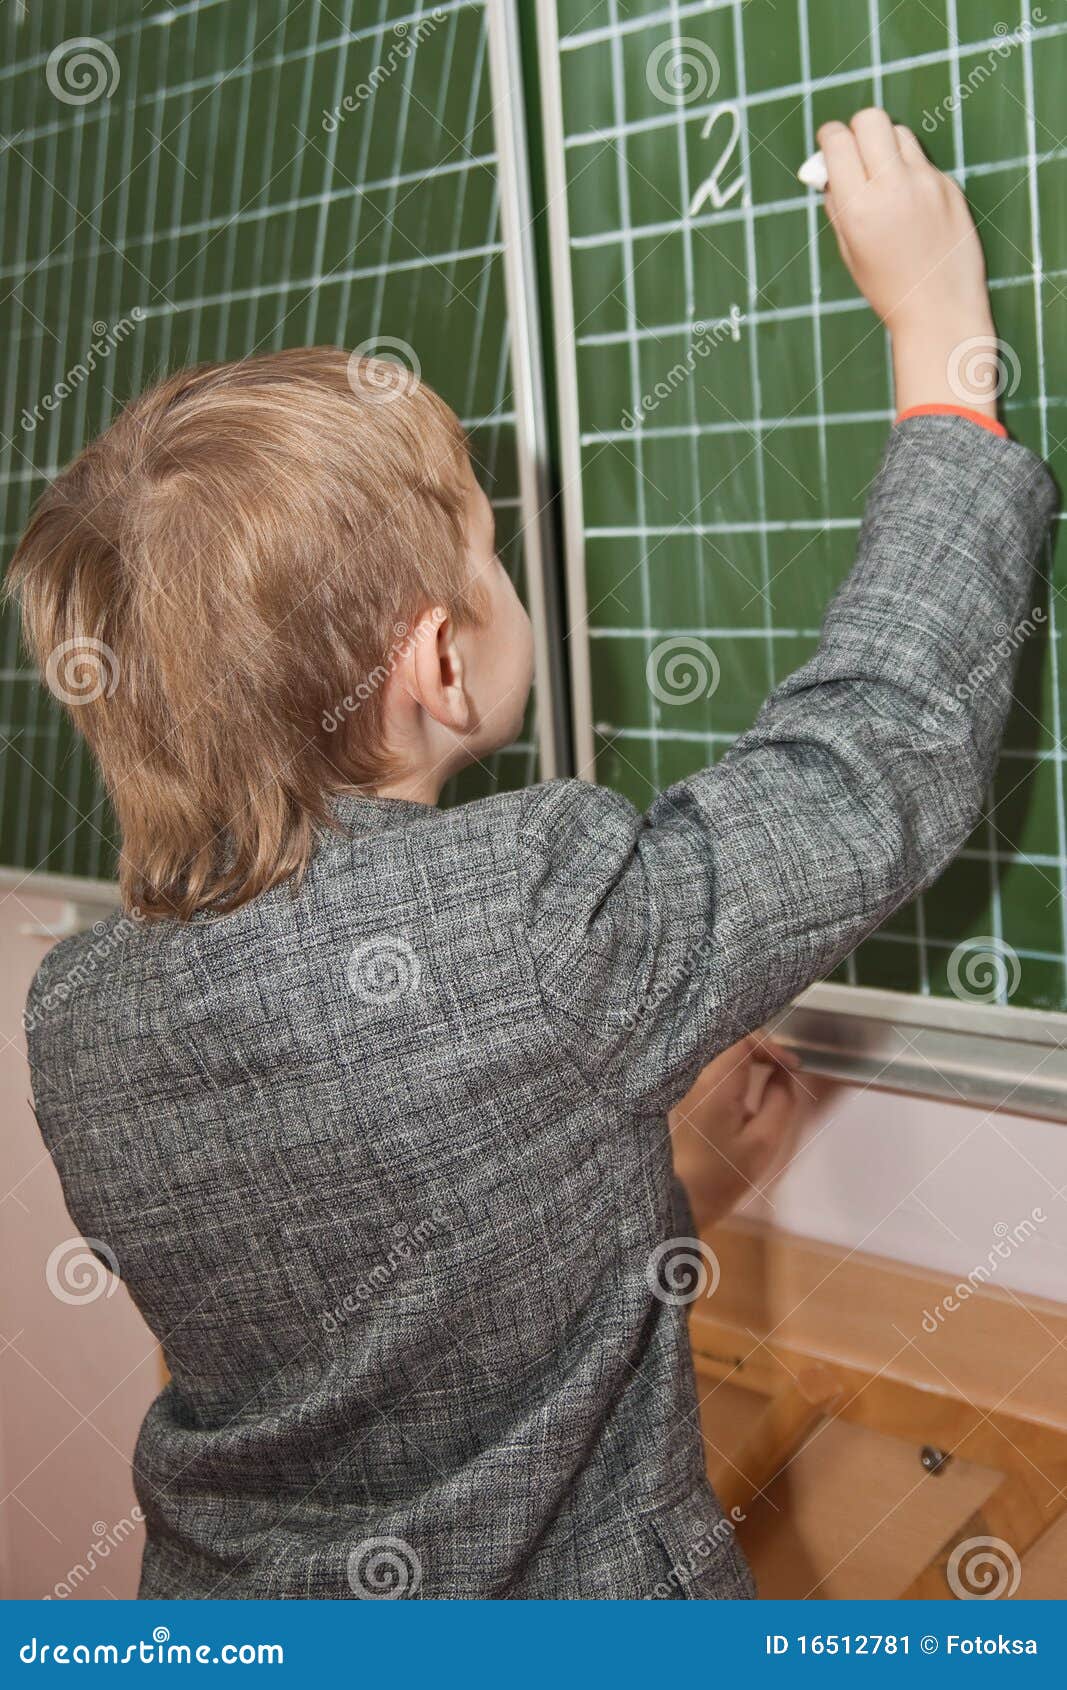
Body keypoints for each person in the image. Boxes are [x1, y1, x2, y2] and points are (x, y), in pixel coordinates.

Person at [9, 112, 1056, 1599]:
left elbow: (353, 1313)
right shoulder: (527, 920)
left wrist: (641, 1182)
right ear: (441, 660)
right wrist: (939, 329)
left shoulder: (80, 1021)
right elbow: (873, 758)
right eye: (494, 552)